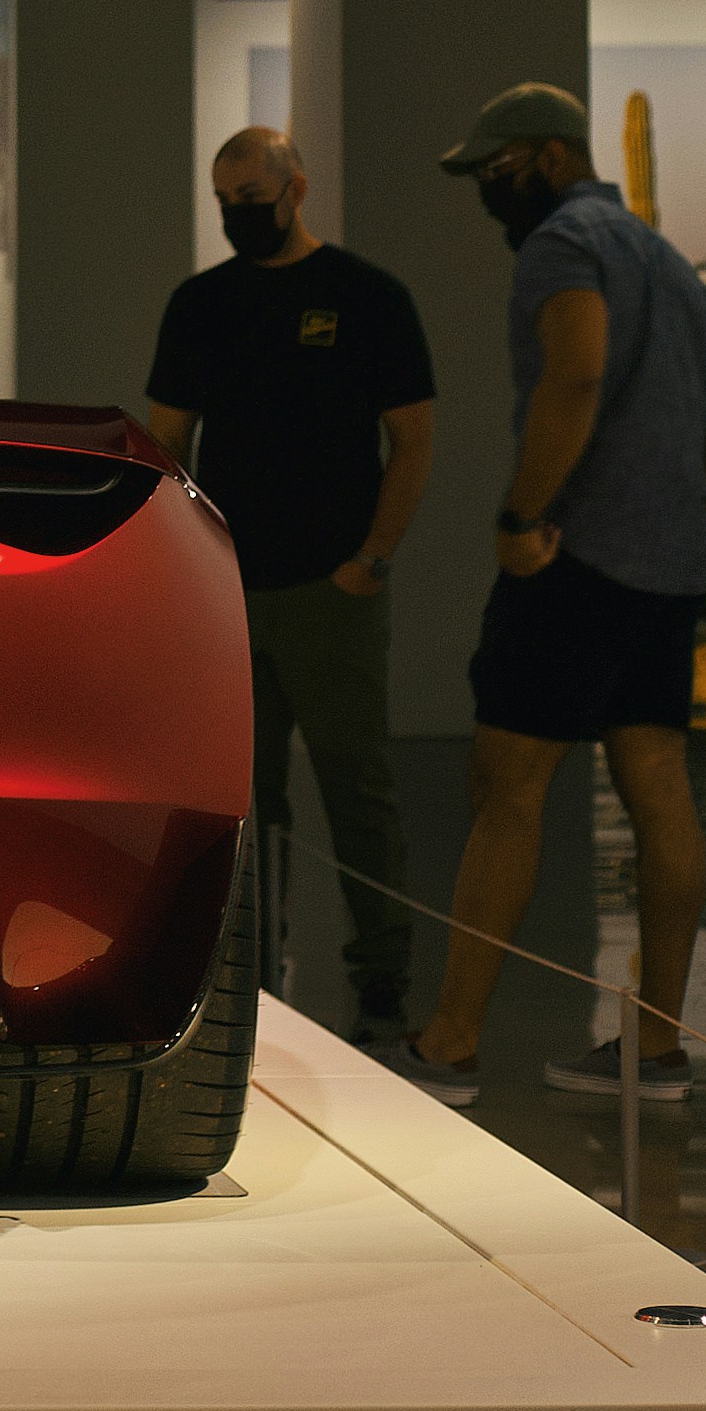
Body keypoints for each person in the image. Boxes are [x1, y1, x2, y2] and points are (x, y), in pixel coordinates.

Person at [394, 84, 706, 1106]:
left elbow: (572, 375)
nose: (486, 193)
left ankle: (447, 1044)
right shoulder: (664, 258)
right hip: (665, 567)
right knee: (656, 784)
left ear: (541, 156)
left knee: (507, 789)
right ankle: (656, 1049)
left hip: (571, 559)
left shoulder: (561, 245)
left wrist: (519, 515)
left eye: (492, 172)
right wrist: (687, 511)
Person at [146, 128, 436, 1045]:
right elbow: (168, 443)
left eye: (252, 196)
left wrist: (372, 557)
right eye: (224, 199)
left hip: (331, 588)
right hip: (232, 592)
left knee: (359, 789)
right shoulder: (201, 305)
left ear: (295, 189)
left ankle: (382, 975)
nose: (238, 213)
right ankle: (248, 976)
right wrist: (193, 567)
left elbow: (413, 440)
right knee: (243, 795)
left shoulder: (368, 298)